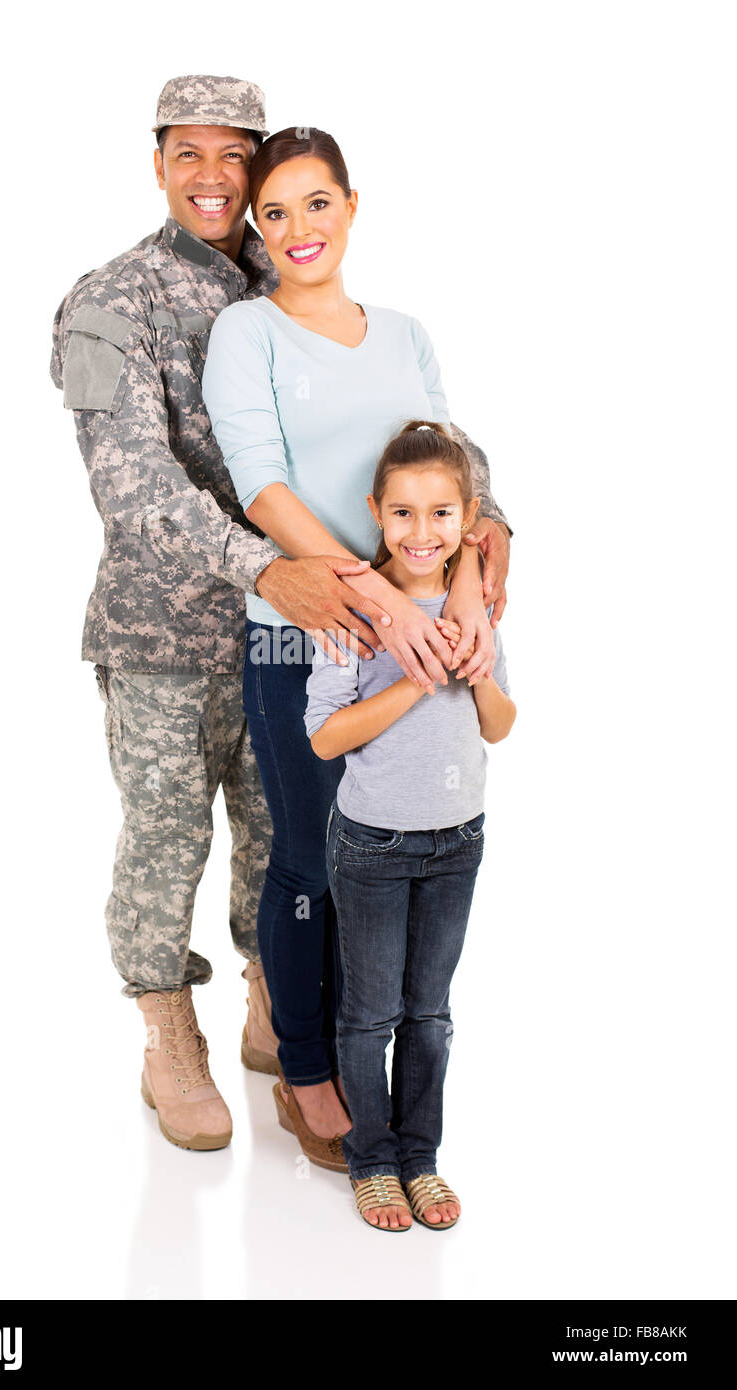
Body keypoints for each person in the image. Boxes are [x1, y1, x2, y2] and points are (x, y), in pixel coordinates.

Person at [49, 77, 394, 1154]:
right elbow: (133, 484)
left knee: (285, 841)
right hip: (161, 640)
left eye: (233, 156)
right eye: (187, 153)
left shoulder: (288, 284)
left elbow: (372, 421)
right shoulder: (109, 301)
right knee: (164, 837)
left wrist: (476, 513)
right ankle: (166, 1038)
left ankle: (273, 1016)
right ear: (157, 164)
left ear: (256, 173)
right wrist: (264, 568)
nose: (212, 176)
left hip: (290, 640)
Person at [202, 128, 513, 1169]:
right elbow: (262, 484)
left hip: (420, 638)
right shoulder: (247, 332)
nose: (298, 230)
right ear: (256, 227)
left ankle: (370, 1061)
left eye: (316, 203)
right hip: (308, 638)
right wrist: (378, 596)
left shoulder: (405, 333)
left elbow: (444, 465)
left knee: (389, 859)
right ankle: (304, 1070)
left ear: (350, 206)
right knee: (309, 859)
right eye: (275, 213)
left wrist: (464, 583)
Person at [305, 420, 516, 1229]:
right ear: (376, 512)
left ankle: (420, 1158)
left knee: (430, 1012)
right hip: (373, 844)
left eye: (439, 515)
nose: (419, 533)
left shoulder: (479, 605)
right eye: (402, 514)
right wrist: (416, 682)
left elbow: (498, 724)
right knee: (369, 1014)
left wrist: (478, 671)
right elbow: (325, 735)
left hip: (458, 838)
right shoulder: (355, 612)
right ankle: (371, 1160)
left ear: (469, 522)